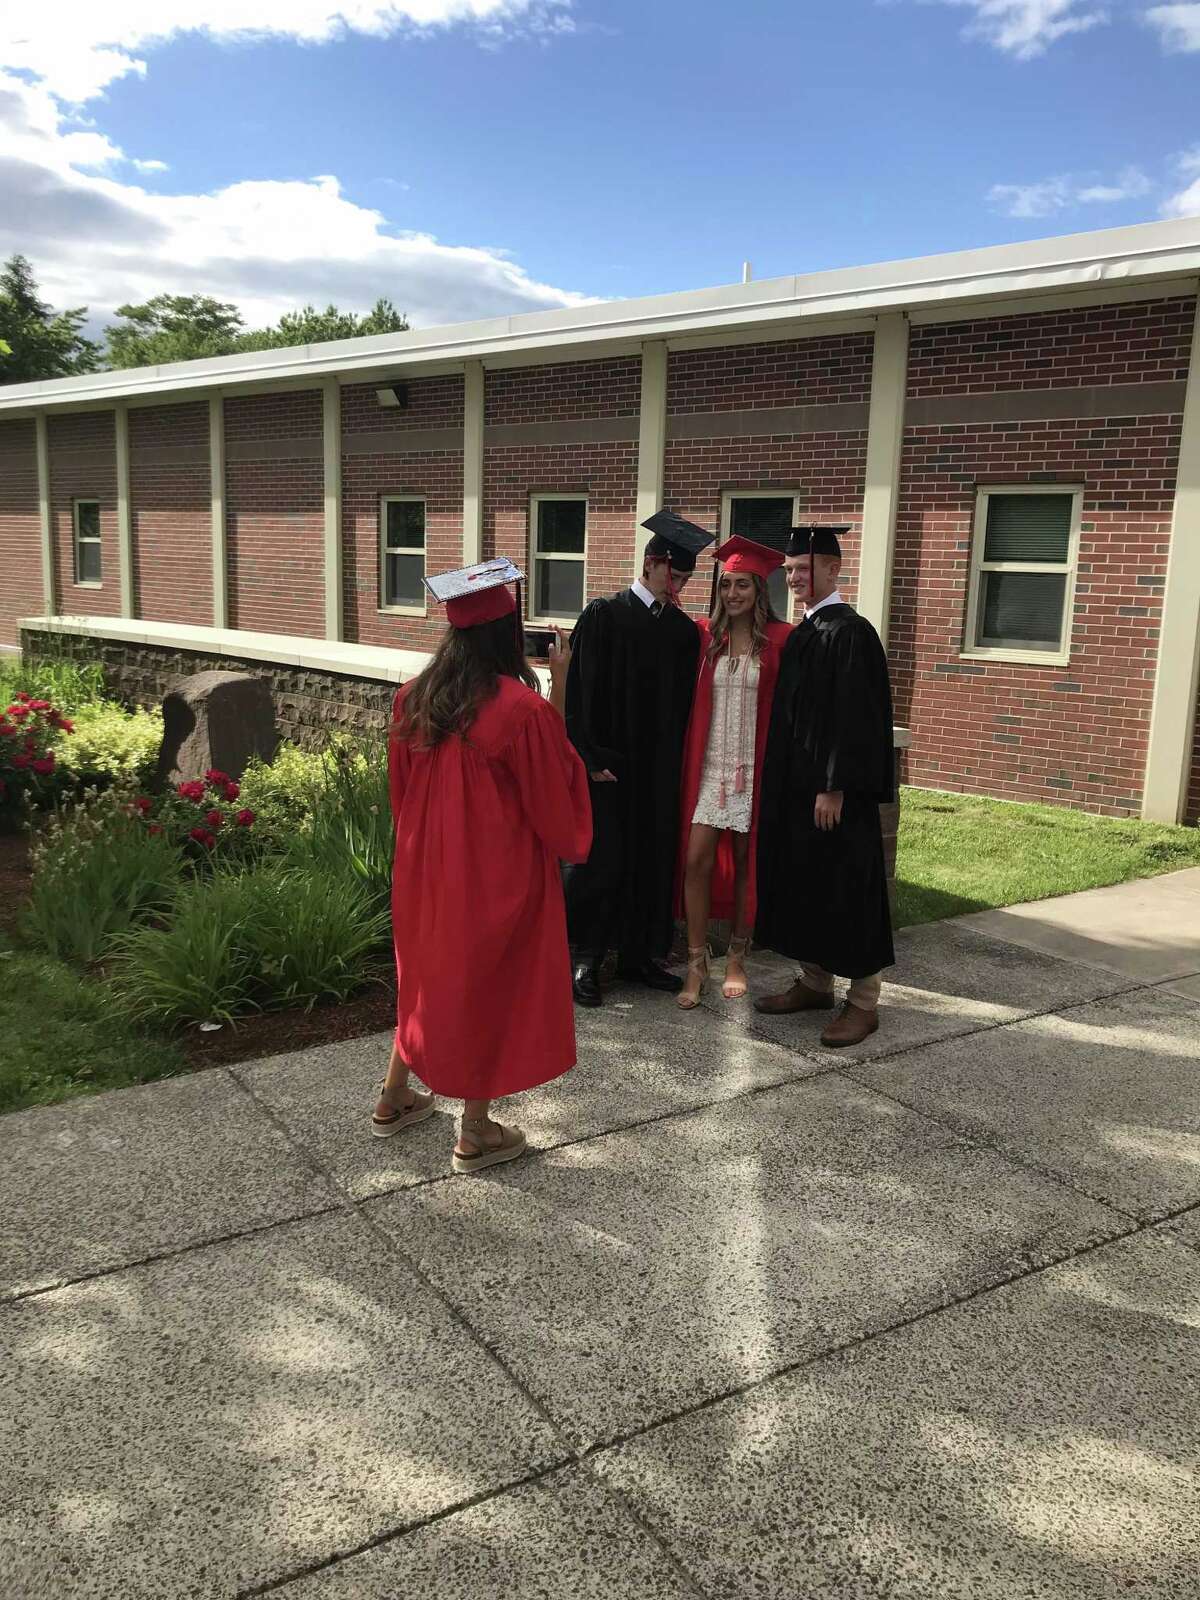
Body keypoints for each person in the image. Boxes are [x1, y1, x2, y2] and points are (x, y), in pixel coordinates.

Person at [373, 557, 592, 1172]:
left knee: (425, 978)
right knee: (484, 987)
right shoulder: (520, 711)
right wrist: (562, 687)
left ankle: (394, 1096)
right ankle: (474, 1130)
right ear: (506, 633)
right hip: (493, 875)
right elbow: (556, 803)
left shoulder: (413, 698)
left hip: (424, 870)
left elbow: (401, 798)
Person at [563, 509, 712, 1006]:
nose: (680, 586)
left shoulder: (683, 634)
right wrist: (585, 754)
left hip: (658, 770)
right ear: (651, 563)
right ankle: (587, 957)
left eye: (687, 579)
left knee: (651, 858)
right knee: (603, 860)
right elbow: (579, 692)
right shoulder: (604, 615)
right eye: (676, 575)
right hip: (608, 766)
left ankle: (638, 956)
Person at [753, 527, 896, 1046]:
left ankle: (864, 1001)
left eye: (803, 569)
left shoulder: (850, 632)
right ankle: (816, 982)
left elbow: (856, 719)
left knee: (846, 889)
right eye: (788, 570)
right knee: (806, 884)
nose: (794, 578)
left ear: (834, 569)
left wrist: (835, 786)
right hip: (799, 789)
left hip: (836, 795)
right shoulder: (807, 631)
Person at [675, 536, 792, 1008]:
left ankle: (738, 957)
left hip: (753, 768)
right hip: (711, 768)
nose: (733, 594)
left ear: (760, 590)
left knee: (747, 864)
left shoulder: (782, 641)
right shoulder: (705, 637)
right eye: (726, 585)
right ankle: (696, 961)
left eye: (742, 585)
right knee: (695, 861)